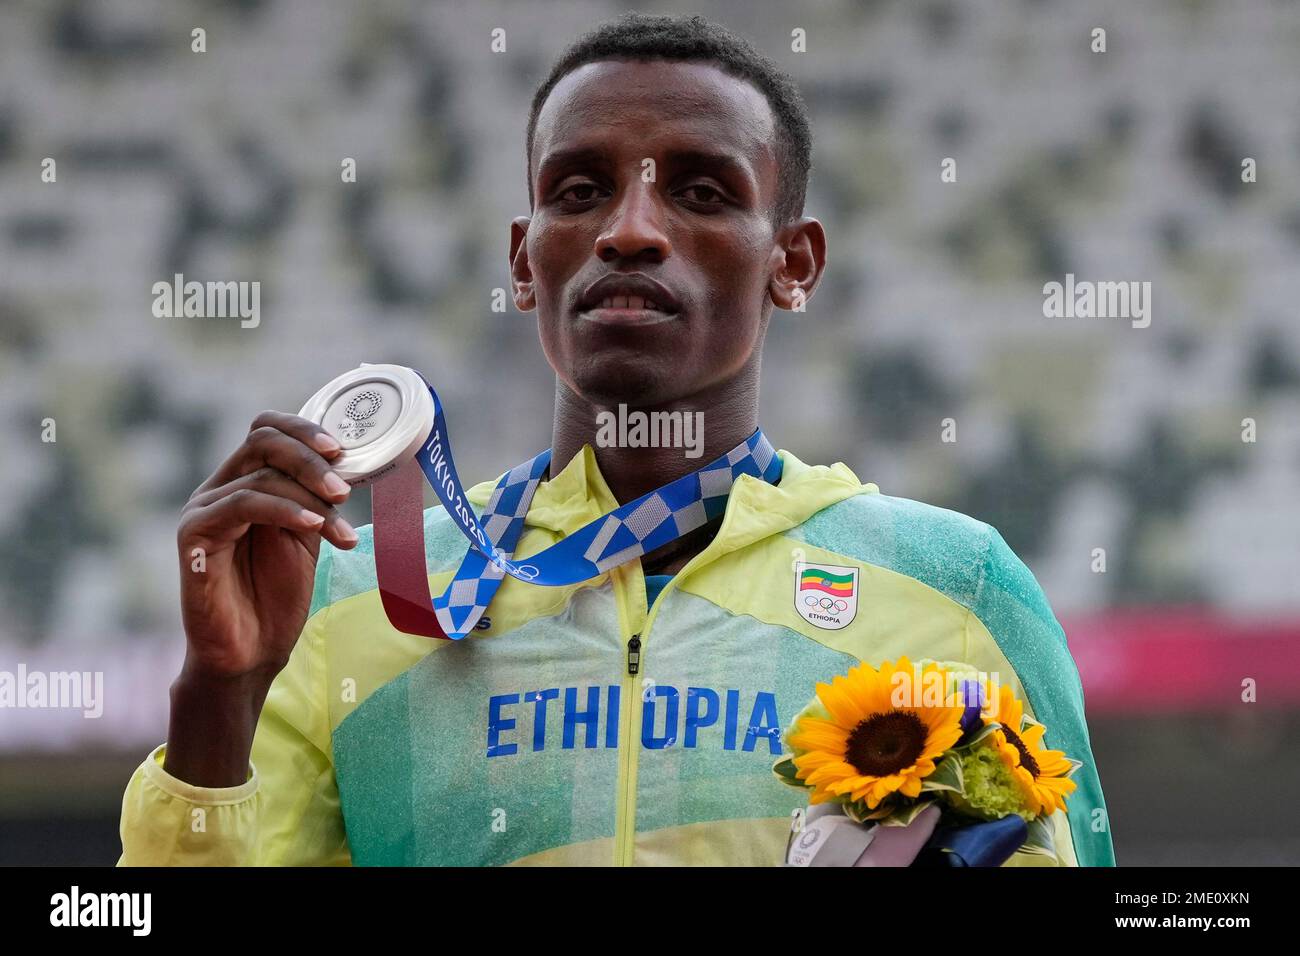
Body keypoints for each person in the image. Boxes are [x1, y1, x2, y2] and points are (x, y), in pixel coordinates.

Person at [117, 12, 1113, 867]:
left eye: (702, 191)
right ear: (523, 258)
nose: (628, 230)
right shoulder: (347, 595)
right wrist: (219, 692)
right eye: (581, 189)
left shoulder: (956, 586)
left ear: (793, 262)